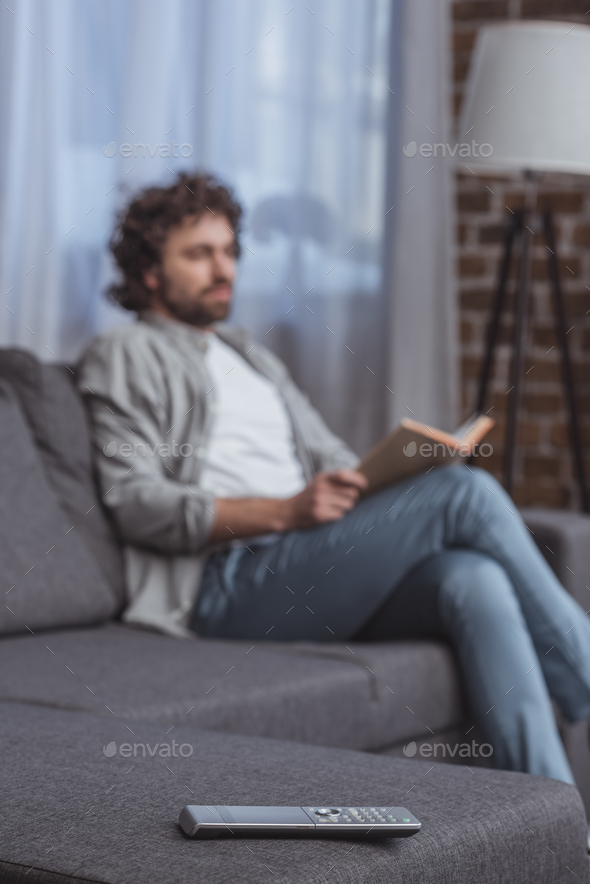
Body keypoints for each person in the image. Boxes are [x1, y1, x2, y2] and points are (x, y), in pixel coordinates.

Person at [78, 172, 590, 788]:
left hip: (309, 559)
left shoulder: (253, 358)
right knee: (467, 493)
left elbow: (332, 458)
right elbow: (135, 502)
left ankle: (560, 816)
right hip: (222, 583)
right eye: (199, 254)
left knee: (472, 578)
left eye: (230, 251)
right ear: (149, 273)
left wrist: (396, 475)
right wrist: (285, 512)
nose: (224, 268)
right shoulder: (125, 353)